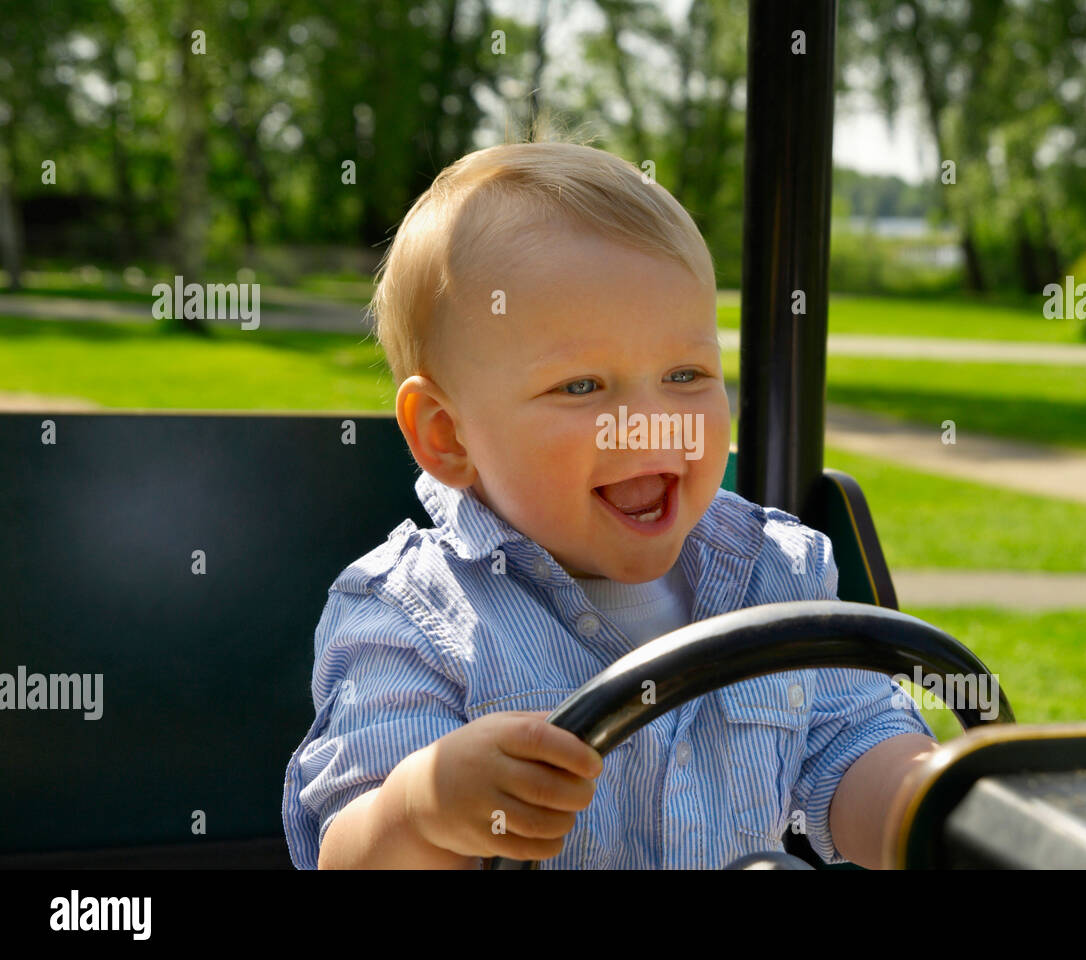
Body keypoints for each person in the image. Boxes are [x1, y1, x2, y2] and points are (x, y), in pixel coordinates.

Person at [282, 138, 937, 870]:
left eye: (686, 374)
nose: (653, 422)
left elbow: (854, 750)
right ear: (447, 435)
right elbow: (354, 857)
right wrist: (424, 809)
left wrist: (934, 810)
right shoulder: (416, 618)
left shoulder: (774, 574)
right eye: (583, 386)